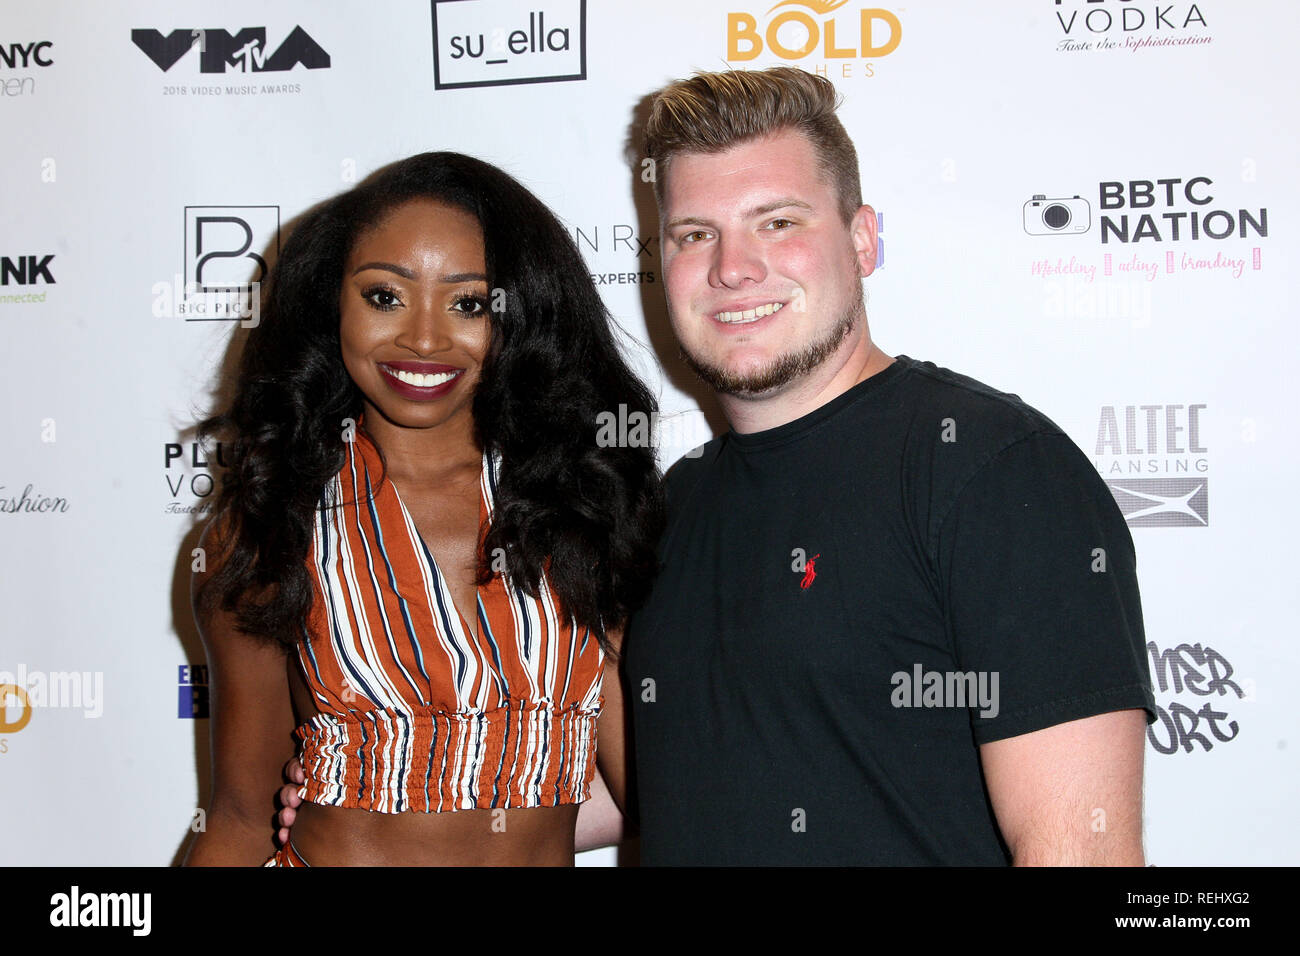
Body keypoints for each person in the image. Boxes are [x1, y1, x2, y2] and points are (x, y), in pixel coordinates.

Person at [619, 67, 1156, 865]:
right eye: (695, 234)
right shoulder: (675, 502)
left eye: (777, 222)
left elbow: (1081, 853)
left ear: (863, 239)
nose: (733, 267)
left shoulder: (996, 470)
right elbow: (657, 798)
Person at [183, 152, 661, 866]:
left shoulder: (584, 505)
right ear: (331, 303)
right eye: (384, 296)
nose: (424, 339)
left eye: (468, 303)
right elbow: (243, 816)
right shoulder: (267, 527)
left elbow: (657, 799)